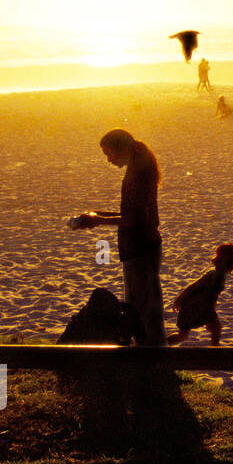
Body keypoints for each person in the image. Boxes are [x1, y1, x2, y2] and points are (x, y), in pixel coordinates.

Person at [76, 129, 165, 345]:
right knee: (142, 307)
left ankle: (153, 357)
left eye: (110, 154)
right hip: (139, 248)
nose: (109, 160)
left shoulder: (139, 173)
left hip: (140, 248)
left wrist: (100, 221)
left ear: (122, 149)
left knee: (143, 311)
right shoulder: (139, 167)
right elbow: (132, 214)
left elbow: (138, 219)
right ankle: (150, 354)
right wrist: (98, 216)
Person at [170, 244, 233, 346]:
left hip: (202, 307)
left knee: (183, 335)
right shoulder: (213, 275)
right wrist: (179, 300)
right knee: (216, 328)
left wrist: (212, 308)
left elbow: (212, 295)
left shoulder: (220, 276)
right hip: (194, 306)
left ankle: (160, 344)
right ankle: (214, 350)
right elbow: (192, 287)